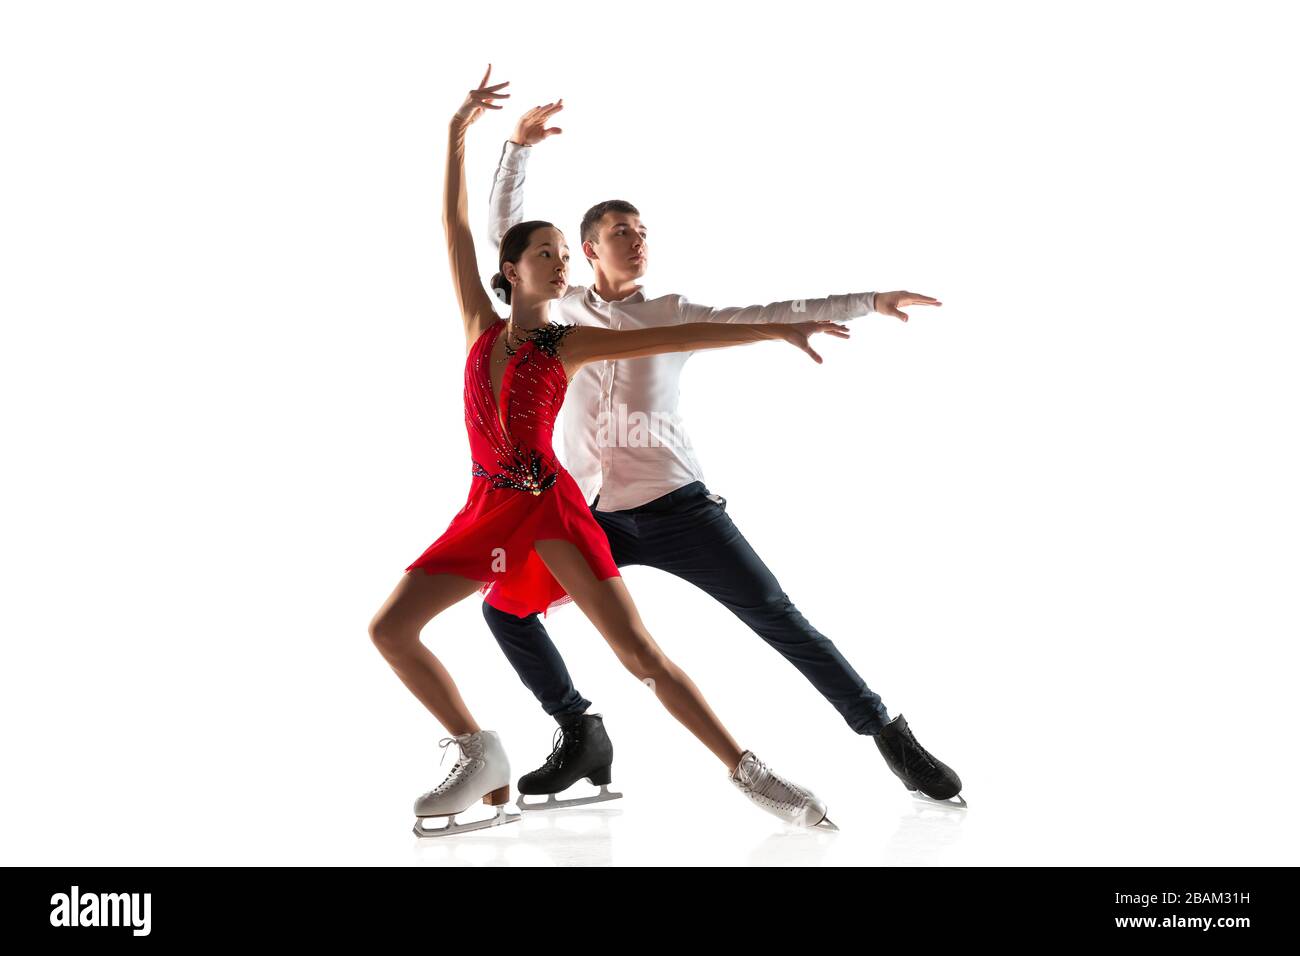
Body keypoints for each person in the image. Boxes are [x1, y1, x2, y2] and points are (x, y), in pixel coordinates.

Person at [368, 66, 851, 837]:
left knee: (639, 657)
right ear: (510, 270)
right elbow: (455, 228)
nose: (563, 263)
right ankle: (477, 751)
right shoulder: (479, 325)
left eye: (568, 254)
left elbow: (683, 332)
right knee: (390, 629)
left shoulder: (569, 341)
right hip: (488, 507)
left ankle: (750, 773)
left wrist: (776, 328)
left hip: (552, 510)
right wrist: (457, 134)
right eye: (548, 253)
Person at [477, 97, 966, 811]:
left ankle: (888, 733)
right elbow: (507, 238)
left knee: (780, 617)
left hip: (679, 511)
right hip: (585, 513)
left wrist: (867, 299)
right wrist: (516, 149)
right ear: (587, 249)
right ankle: (580, 731)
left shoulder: (673, 313)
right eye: (621, 231)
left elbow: (758, 315)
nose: (637, 240)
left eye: (643, 231)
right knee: (504, 606)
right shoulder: (564, 312)